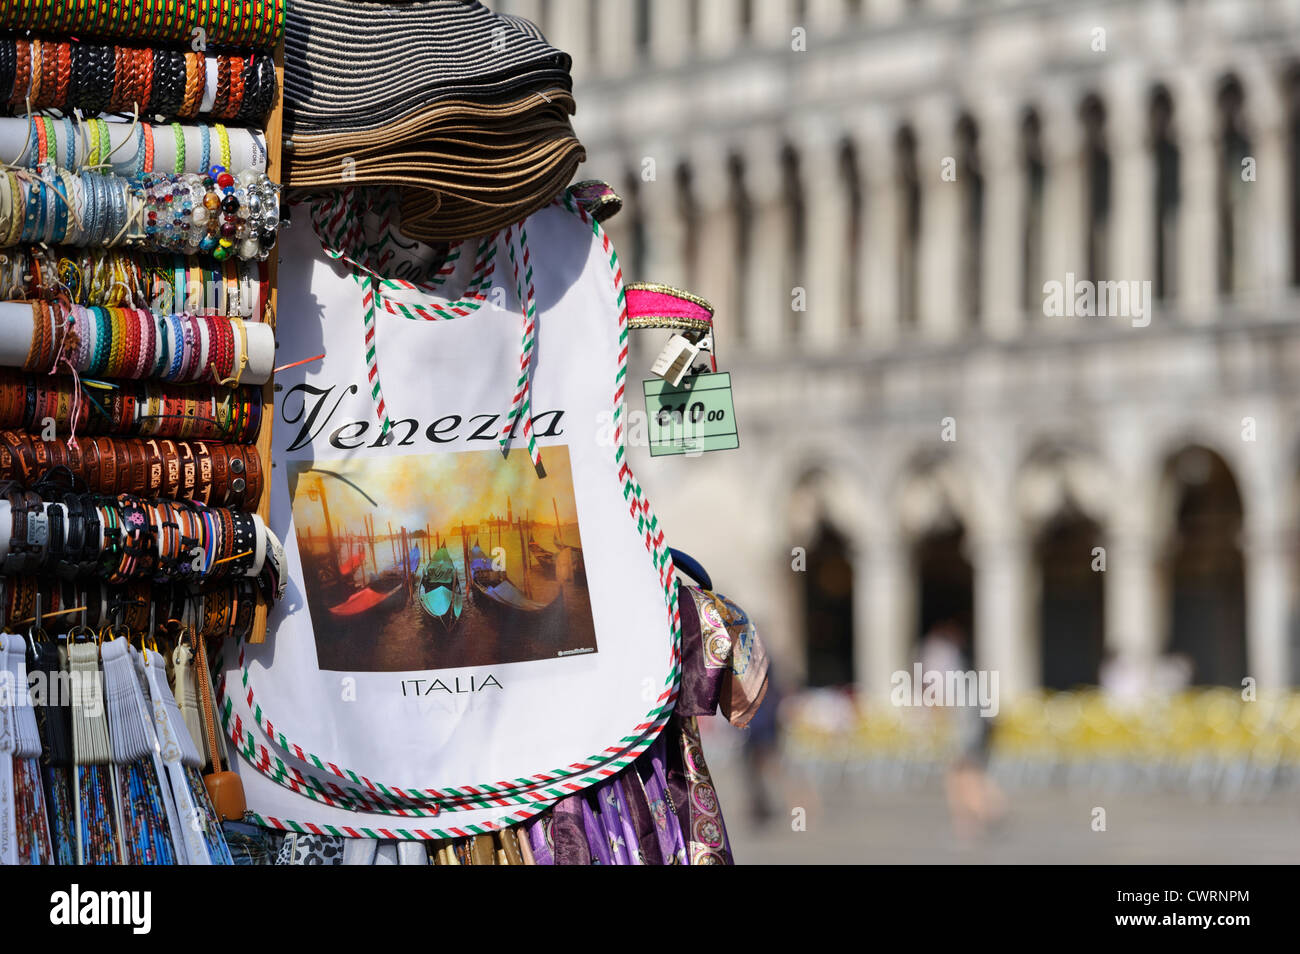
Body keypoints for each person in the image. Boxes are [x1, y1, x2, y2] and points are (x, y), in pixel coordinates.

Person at [919, 620, 1005, 843]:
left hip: (962, 723)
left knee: (960, 773)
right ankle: (981, 814)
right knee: (967, 772)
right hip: (970, 720)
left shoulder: (938, 658)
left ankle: (973, 820)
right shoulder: (957, 663)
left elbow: (938, 695)